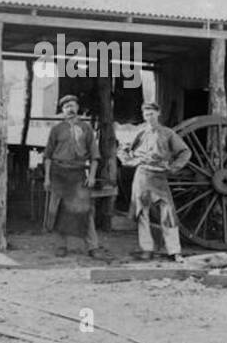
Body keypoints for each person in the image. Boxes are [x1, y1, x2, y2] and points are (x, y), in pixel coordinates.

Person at [119, 101, 191, 262]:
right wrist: (131, 161)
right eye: (146, 114)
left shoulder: (168, 133)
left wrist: (173, 167)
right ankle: (147, 249)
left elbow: (185, 152)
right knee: (142, 213)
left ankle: (174, 251)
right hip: (142, 176)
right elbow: (122, 149)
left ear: (158, 114)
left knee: (167, 214)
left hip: (159, 177)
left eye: (151, 114)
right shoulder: (140, 133)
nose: (149, 117)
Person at [43, 94, 105, 259]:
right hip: (58, 172)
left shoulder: (86, 129)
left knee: (85, 210)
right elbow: (48, 156)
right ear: (62, 111)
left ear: (78, 108)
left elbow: (94, 156)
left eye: (72, 105)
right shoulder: (56, 129)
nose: (69, 109)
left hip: (78, 173)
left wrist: (91, 176)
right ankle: (61, 246)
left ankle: (93, 247)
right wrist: (47, 178)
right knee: (57, 209)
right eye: (66, 107)